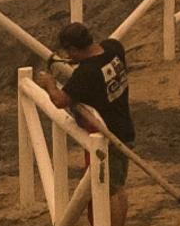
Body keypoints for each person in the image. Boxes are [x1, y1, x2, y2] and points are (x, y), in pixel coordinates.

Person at [53, 18, 135, 193]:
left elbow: (60, 100)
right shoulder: (114, 48)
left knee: (112, 191)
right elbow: (100, 55)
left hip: (109, 137)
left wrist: (49, 84)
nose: (69, 56)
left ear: (73, 49)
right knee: (117, 187)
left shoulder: (86, 73)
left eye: (69, 52)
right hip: (125, 127)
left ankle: (115, 214)